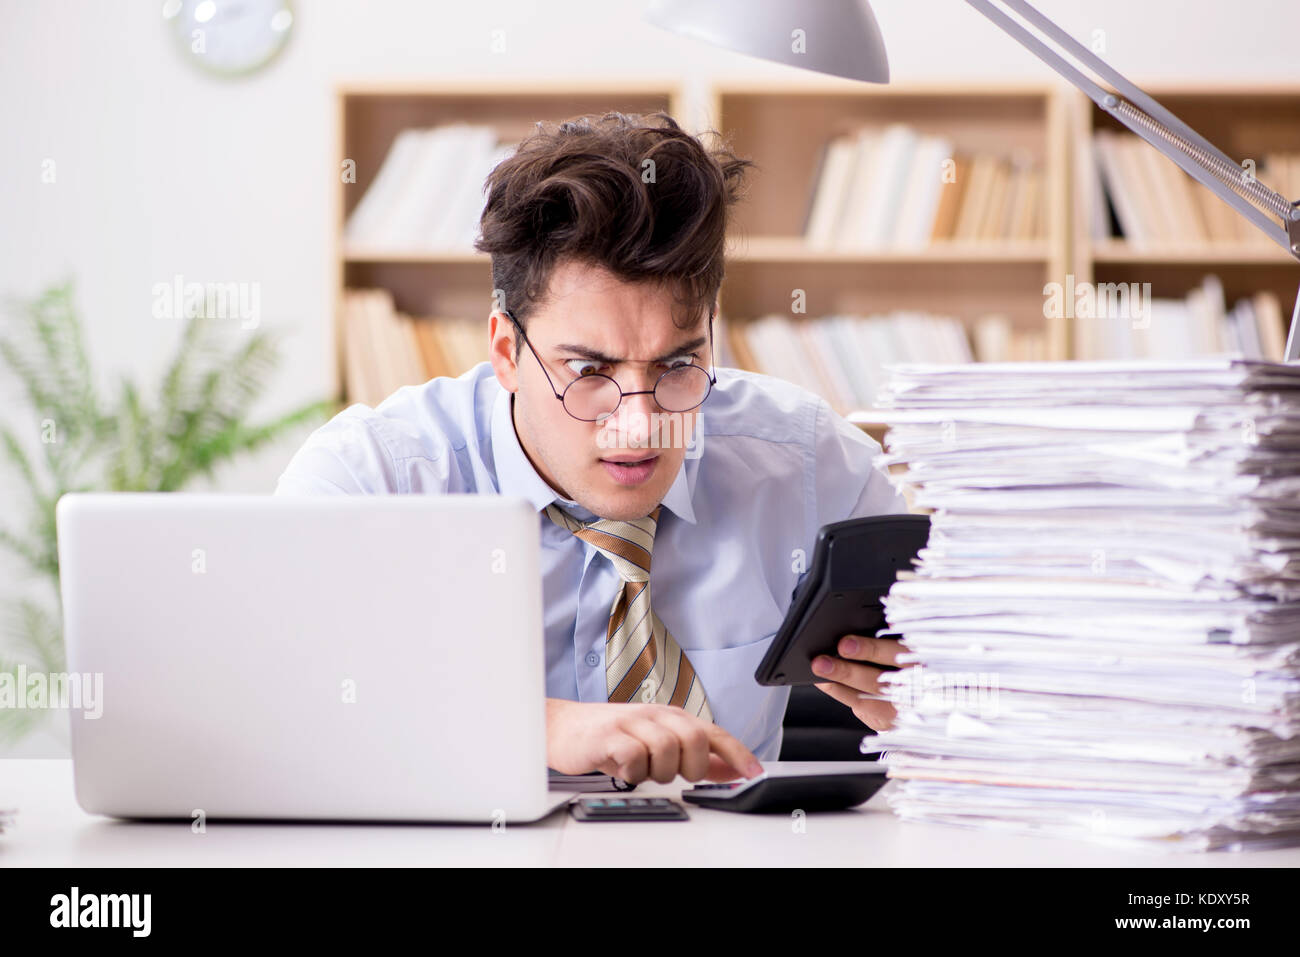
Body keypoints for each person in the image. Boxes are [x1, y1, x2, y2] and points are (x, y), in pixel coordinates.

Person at [275, 111, 910, 786]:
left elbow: (988, 670)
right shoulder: (375, 477)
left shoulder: (806, 464)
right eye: (587, 372)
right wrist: (538, 724)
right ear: (505, 351)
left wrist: (946, 713)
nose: (640, 427)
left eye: (676, 366)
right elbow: (272, 695)